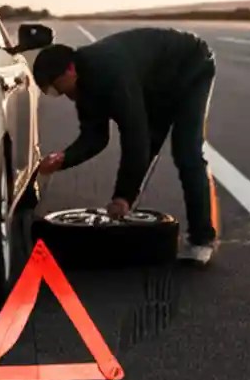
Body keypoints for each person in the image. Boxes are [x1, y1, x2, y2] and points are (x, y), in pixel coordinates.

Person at [32, 27, 220, 265]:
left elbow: (134, 135)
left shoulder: (109, 72)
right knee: (148, 143)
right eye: (52, 92)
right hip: (155, 80)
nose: (59, 93)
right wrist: (63, 158)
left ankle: (202, 240)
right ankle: (129, 202)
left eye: (56, 86)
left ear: (70, 69)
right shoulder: (82, 87)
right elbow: (95, 138)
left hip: (191, 67)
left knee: (186, 152)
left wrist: (122, 195)